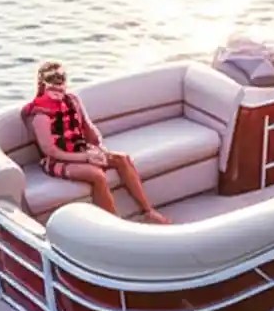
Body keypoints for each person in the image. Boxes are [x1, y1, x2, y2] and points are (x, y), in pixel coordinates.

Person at [22, 61, 170, 224]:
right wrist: (86, 158)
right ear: (43, 85)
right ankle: (115, 224)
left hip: (80, 150)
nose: (58, 87)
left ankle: (148, 210)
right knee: (97, 175)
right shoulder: (40, 115)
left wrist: (100, 149)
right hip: (56, 161)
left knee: (122, 159)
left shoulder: (72, 100)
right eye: (53, 83)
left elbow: (88, 128)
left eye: (61, 80)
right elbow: (51, 151)